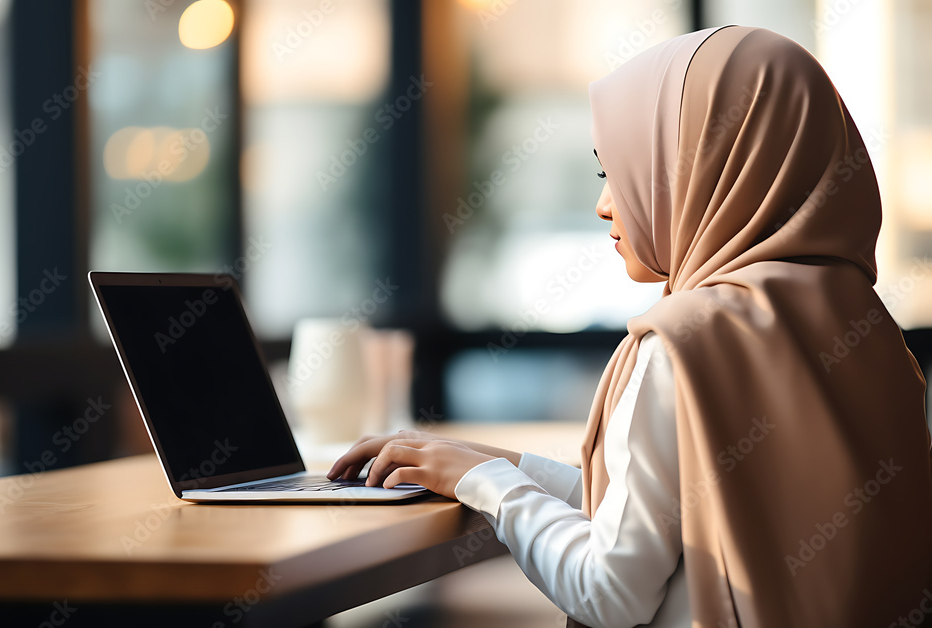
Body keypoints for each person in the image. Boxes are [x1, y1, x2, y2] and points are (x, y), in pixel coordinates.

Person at [328, 25, 932, 627]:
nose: (605, 204)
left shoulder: (686, 342)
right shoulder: (870, 332)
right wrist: (481, 466)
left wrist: (487, 485)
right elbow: (671, 508)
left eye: (619, 171)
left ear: (706, 166)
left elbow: (611, 592)